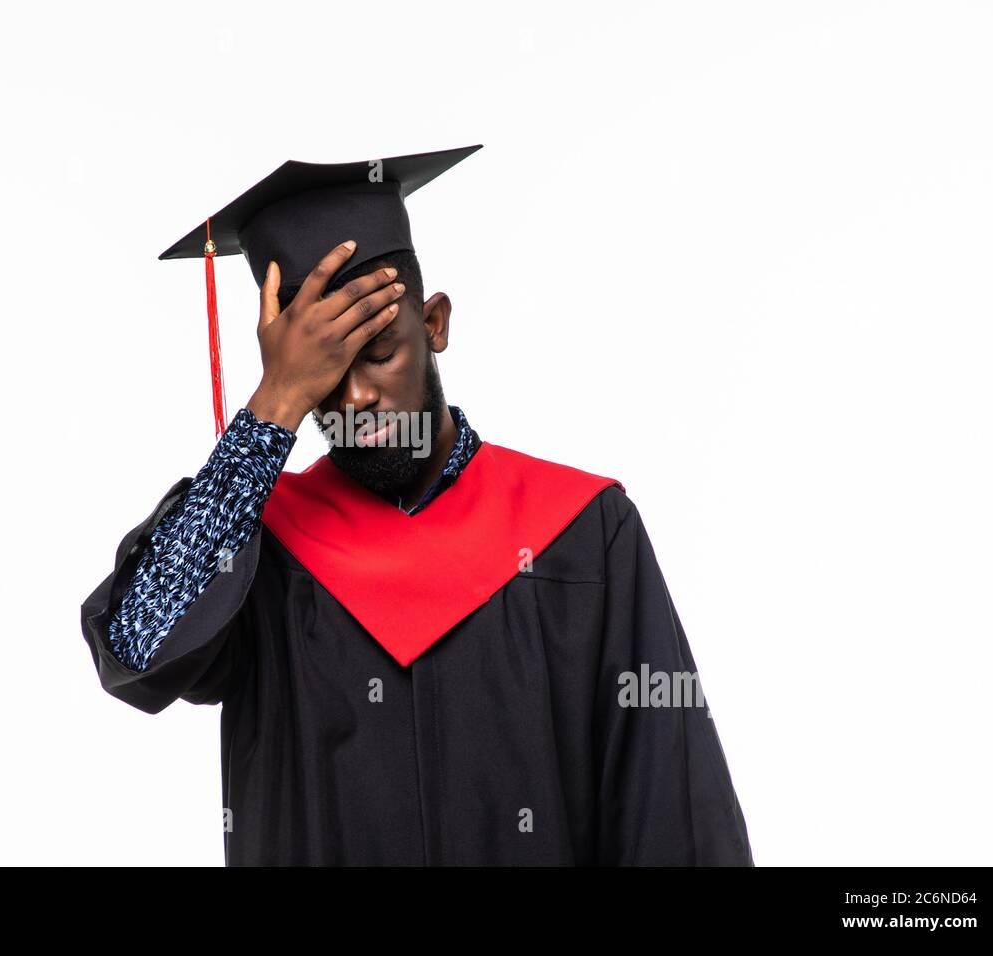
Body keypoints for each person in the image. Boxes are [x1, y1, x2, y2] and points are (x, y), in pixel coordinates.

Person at [79, 146, 754, 865]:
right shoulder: (259, 553)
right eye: (321, 377)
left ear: (433, 324)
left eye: (376, 353)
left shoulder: (583, 532)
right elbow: (137, 648)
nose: (358, 399)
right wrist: (272, 408)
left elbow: (671, 810)